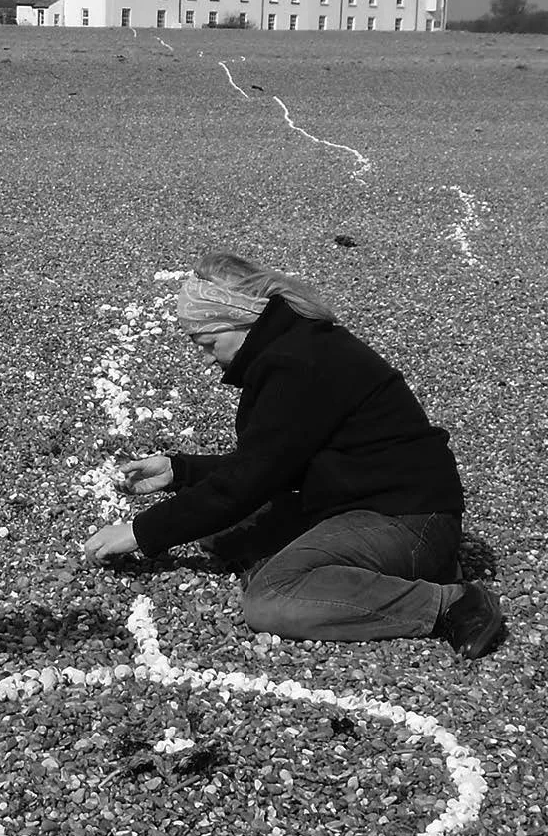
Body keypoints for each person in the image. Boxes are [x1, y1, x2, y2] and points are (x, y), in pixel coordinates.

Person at [84, 251, 505, 660]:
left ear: (240, 318)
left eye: (208, 343)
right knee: (224, 535)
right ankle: (342, 571)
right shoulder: (295, 344)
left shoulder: (296, 365)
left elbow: (246, 484)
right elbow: (273, 461)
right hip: (363, 499)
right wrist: (180, 470)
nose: (207, 358)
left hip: (409, 521)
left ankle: (449, 602)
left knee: (269, 599)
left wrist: (140, 532)